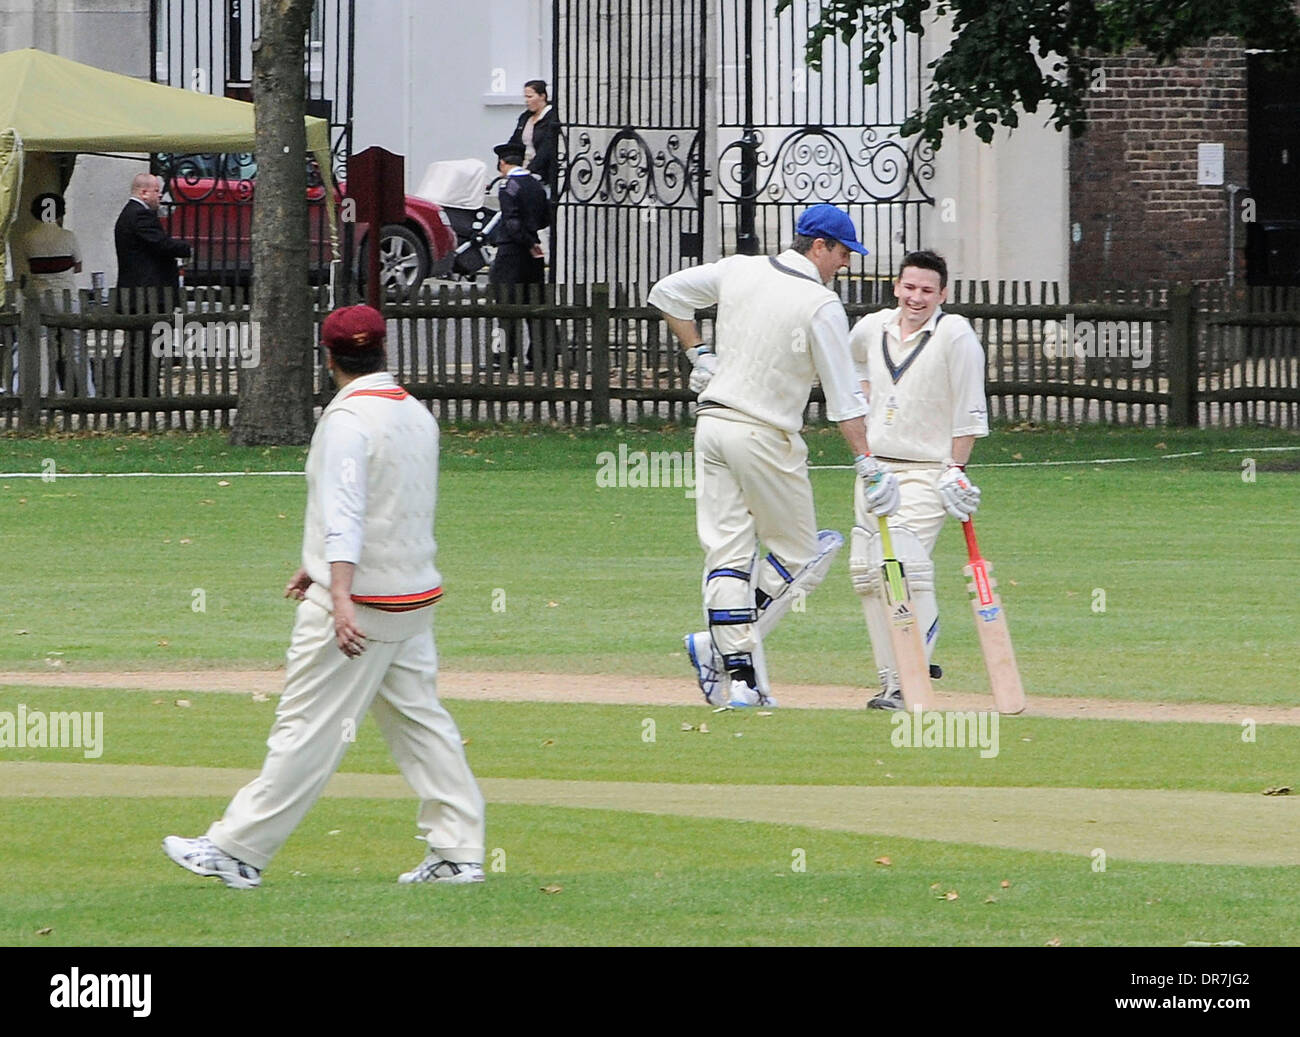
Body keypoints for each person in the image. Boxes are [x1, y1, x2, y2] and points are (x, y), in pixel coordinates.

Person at [163, 304, 486, 888]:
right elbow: (383, 507)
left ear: (329, 357)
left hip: (361, 606)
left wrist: (336, 594)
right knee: (422, 726)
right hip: (412, 597)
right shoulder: (415, 413)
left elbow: (348, 514)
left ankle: (237, 849)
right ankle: (459, 851)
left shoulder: (347, 421)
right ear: (384, 351)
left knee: (306, 728)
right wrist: (314, 568)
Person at [648, 204, 900, 709]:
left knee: (728, 556)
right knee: (803, 555)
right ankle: (719, 650)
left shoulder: (741, 268)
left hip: (713, 427)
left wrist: (699, 355)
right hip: (764, 436)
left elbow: (666, 295)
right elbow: (845, 400)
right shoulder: (819, 303)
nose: (846, 264)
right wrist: (868, 463)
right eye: (844, 253)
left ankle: (740, 681)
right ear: (820, 246)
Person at [846, 250, 989, 710]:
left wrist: (955, 470)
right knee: (868, 575)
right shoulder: (872, 328)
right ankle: (893, 679)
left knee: (902, 567)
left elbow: (970, 409)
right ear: (896, 286)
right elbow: (844, 370)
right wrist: (866, 403)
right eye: (910, 287)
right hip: (875, 471)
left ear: (942, 294)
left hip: (928, 472)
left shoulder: (955, 335)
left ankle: (912, 677)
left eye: (928, 290)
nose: (917, 297)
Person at [114, 172, 191, 396]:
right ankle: (141, 388)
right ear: (144, 192)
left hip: (140, 292)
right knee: (147, 344)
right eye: (157, 191)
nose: (160, 196)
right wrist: (186, 249)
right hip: (146, 293)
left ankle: (137, 387)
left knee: (141, 343)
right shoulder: (140, 215)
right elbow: (161, 244)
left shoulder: (132, 213)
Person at [15, 192, 93, 396]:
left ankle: (47, 391)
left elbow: (27, 268)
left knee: (44, 345)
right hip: (67, 297)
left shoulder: (27, 239)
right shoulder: (68, 236)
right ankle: (87, 392)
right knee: (76, 347)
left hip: (40, 298)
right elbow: (78, 266)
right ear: (60, 212)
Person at [488, 142, 550, 372]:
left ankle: (502, 357)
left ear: (502, 163)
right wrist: (533, 240)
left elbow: (512, 222)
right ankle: (538, 357)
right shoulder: (535, 185)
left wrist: (526, 241)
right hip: (532, 255)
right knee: (534, 308)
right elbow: (545, 217)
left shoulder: (507, 186)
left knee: (505, 308)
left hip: (511, 252)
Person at [507, 79, 560, 198]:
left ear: (542, 96)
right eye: (525, 97)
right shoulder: (525, 117)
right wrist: (507, 163)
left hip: (542, 173)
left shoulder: (551, 118)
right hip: (523, 169)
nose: (527, 101)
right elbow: (515, 142)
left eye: (530, 96)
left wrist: (531, 170)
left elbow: (546, 148)